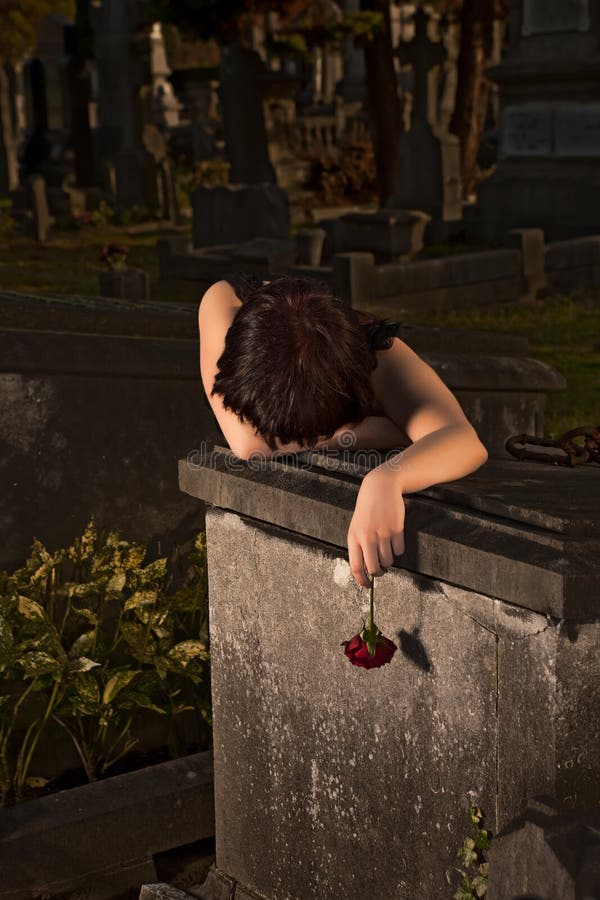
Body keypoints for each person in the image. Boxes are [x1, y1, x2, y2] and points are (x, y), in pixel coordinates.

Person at [198, 274, 488, 589]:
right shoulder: (224, 304)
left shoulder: (380, 357)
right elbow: (249, 445)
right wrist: (386, 430)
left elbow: (463, 440)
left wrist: (387, 479)